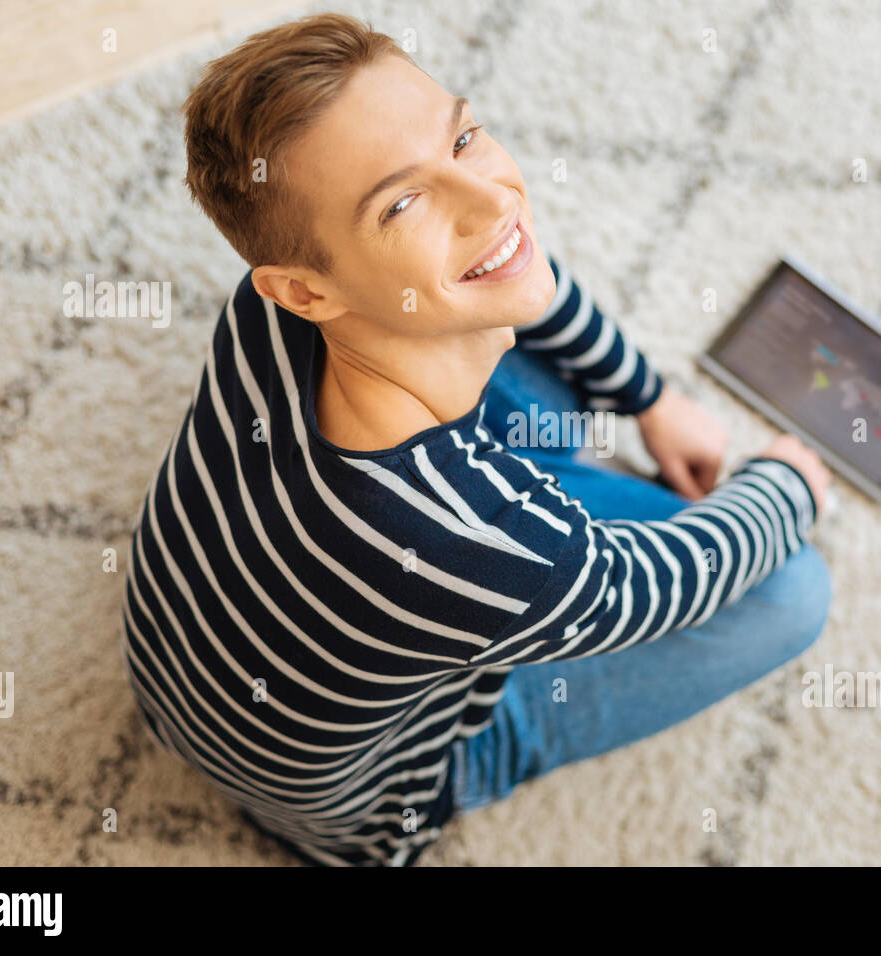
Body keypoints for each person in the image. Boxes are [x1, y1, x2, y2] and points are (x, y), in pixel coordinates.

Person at [120, 12, 833, 866]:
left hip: (182, 669)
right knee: (790, 589)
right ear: (303, 290)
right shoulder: (485, 550)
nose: (492, 197)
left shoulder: (268, 309)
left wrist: (648, 397)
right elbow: (661, 585)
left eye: (461, 138)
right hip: (371, 802)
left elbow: (515, 264)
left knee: (498, 300)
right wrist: (787, 484)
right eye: (404, 202)